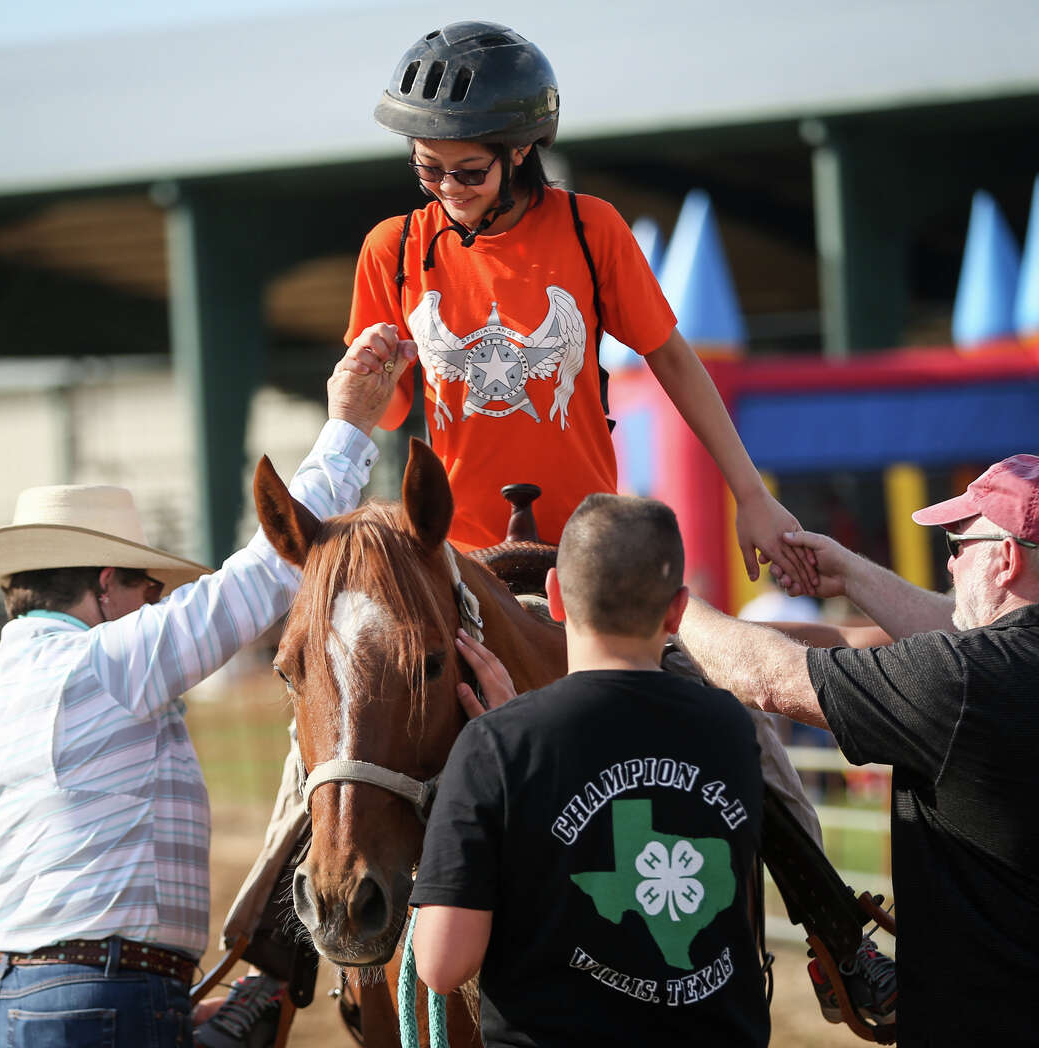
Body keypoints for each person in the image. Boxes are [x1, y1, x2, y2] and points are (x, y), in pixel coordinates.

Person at [0, 339, 413, 1048]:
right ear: (105, 585)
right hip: (96, 998)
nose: (158, 603)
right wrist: (348, 425)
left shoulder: (3, 693)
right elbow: (256, 583)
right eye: (147, 587)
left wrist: (154, 1010)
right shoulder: (101, 664)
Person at [341, 19, 815, 595]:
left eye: (468, 171)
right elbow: (391, 414)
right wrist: (371, 378)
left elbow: (673, 361)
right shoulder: (392, 248)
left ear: (519, 151)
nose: (447, 187)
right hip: (461, 561)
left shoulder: (591, 229)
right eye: (427, 167)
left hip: (585, 548)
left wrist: (752, 495)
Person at [673, 453, 1039, 1046]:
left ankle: (838, 934)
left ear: (1006, 558)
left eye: (958, 543)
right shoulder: (984, 669)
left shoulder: (966, 681)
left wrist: (657, 595)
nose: (948, 561)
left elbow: (770, 679)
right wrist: (850, 575)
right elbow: (959, 630)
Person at [410, 494, 770, 1046]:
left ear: (553, 596)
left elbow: (441, 965)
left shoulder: (495, 746)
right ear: (676, 611)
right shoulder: (731, 726)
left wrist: (485, 762)